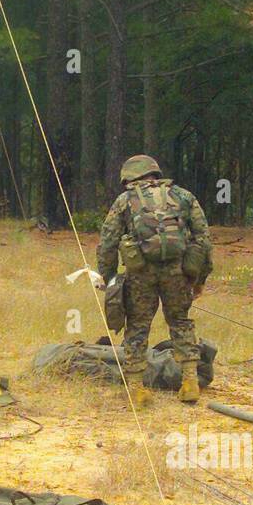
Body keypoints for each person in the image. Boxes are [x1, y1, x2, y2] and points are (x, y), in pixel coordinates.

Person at [96, 154, 212, 409]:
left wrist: (108, 277)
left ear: (130, 177)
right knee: (180, 321)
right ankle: (190, 381)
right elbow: (203, 237)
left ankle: (137, 389)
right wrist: (200, 277)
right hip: (178, 271)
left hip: (140, 273)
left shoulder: (125, 200)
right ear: (154, 173)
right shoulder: (183, 196)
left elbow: (108, 240)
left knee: (137, 326)